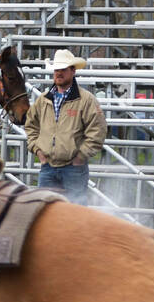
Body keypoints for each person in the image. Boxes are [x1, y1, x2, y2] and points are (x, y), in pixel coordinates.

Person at [23, 49, 106, 204]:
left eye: (63, 69)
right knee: (44, 212)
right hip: (48, 166)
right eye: (56, 70)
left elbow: (97, 131)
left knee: (75, 213)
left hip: (73, 168)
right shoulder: (43, 100)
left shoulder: (86, 100)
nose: (59, 73)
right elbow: (30, 125)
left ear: (73, 71)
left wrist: (80, 157)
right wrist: (38, 150)